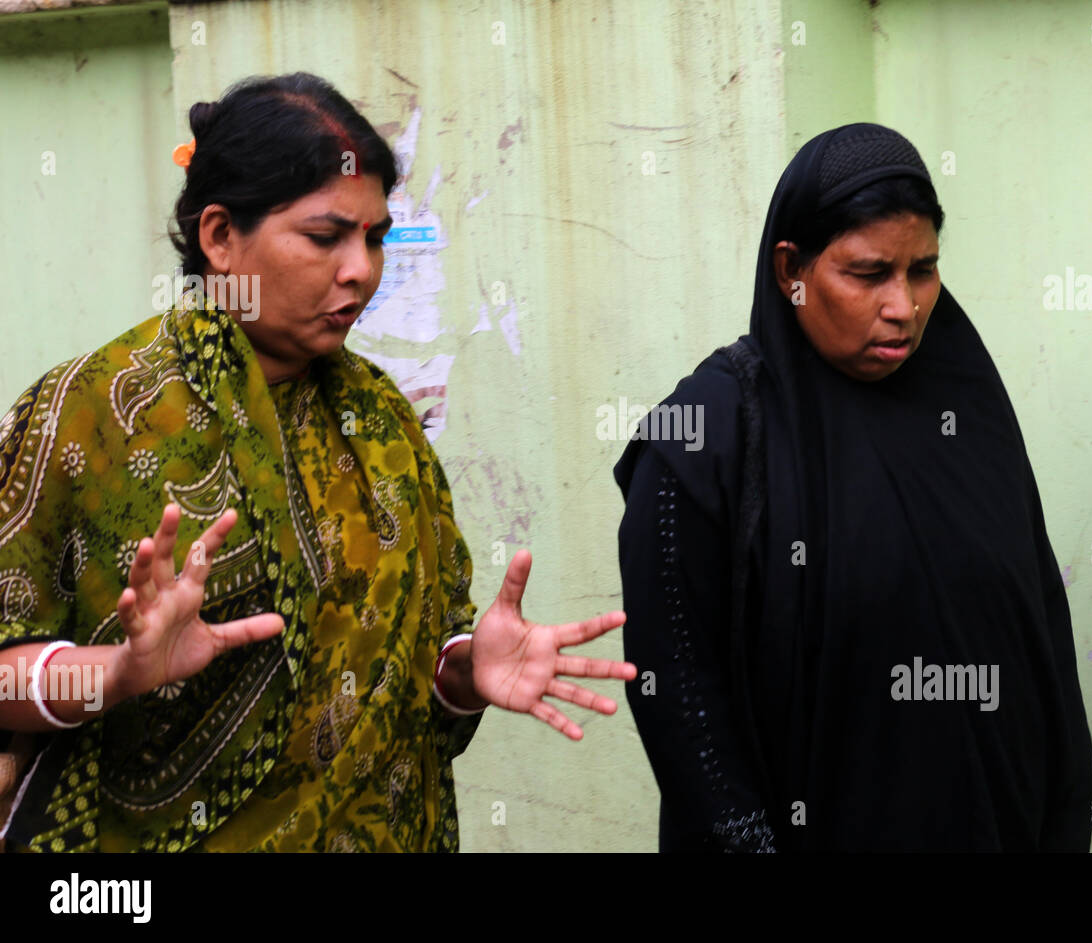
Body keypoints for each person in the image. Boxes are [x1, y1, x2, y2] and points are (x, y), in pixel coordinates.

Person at [0, 72, 635, 853]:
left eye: (374, 237)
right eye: (326, 236)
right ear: (220, 236)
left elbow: (430, 652)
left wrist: (467, 671)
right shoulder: (93, 410)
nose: (360, 270)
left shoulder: (381, 420)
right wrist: (120, 671)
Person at [614, 123, 1092, 852]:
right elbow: (682, 703)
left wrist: (1066, 818)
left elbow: (1042, 633)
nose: (903, 306)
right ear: (790, 270)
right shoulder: (703, 436)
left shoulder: (965, 412)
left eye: (924, 270)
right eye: (869, 274)